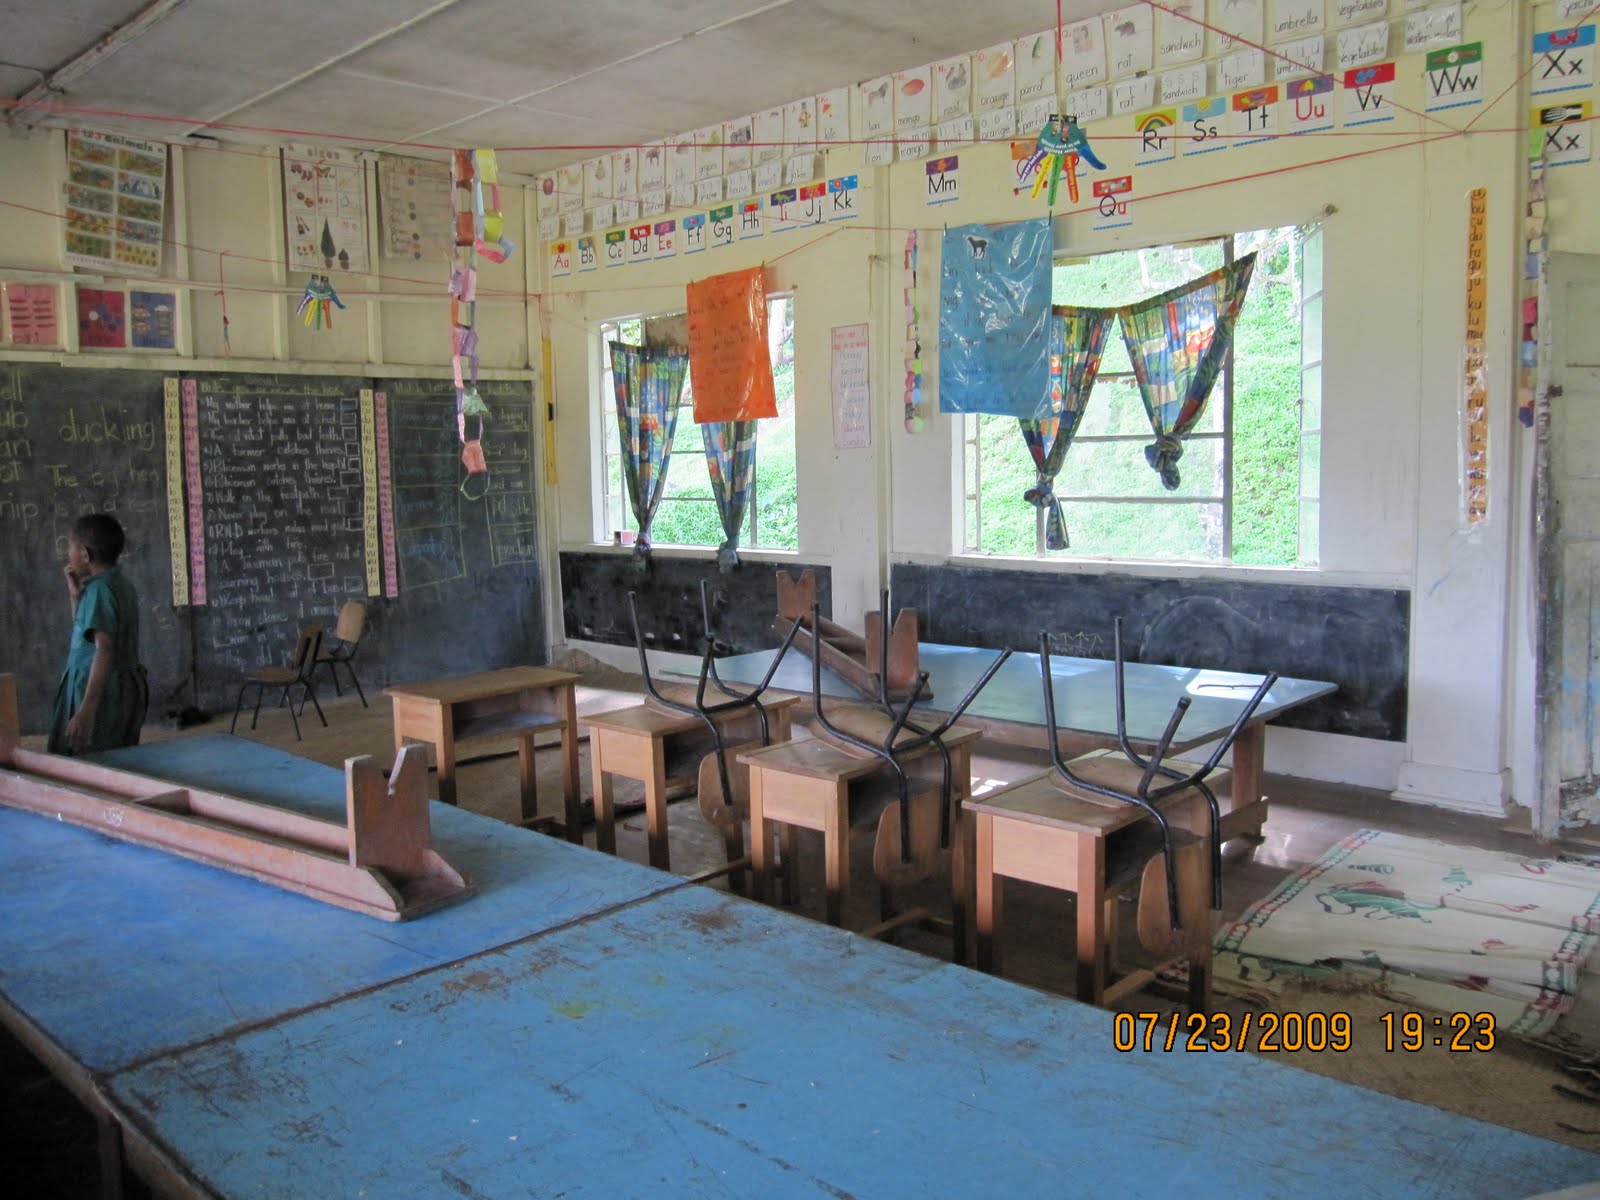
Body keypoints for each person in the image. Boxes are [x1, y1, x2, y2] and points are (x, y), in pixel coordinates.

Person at [48, 513, 149, 755]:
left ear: (85, 554)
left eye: (70, 548)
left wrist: (86, 710)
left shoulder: (100, 591)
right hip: (120, 688)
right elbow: (86, 634)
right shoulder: (118, 585)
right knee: (116, 757)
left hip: (99, 691)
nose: (67, 554)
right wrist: (75, 597)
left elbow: (104, 648)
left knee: (88, 760)